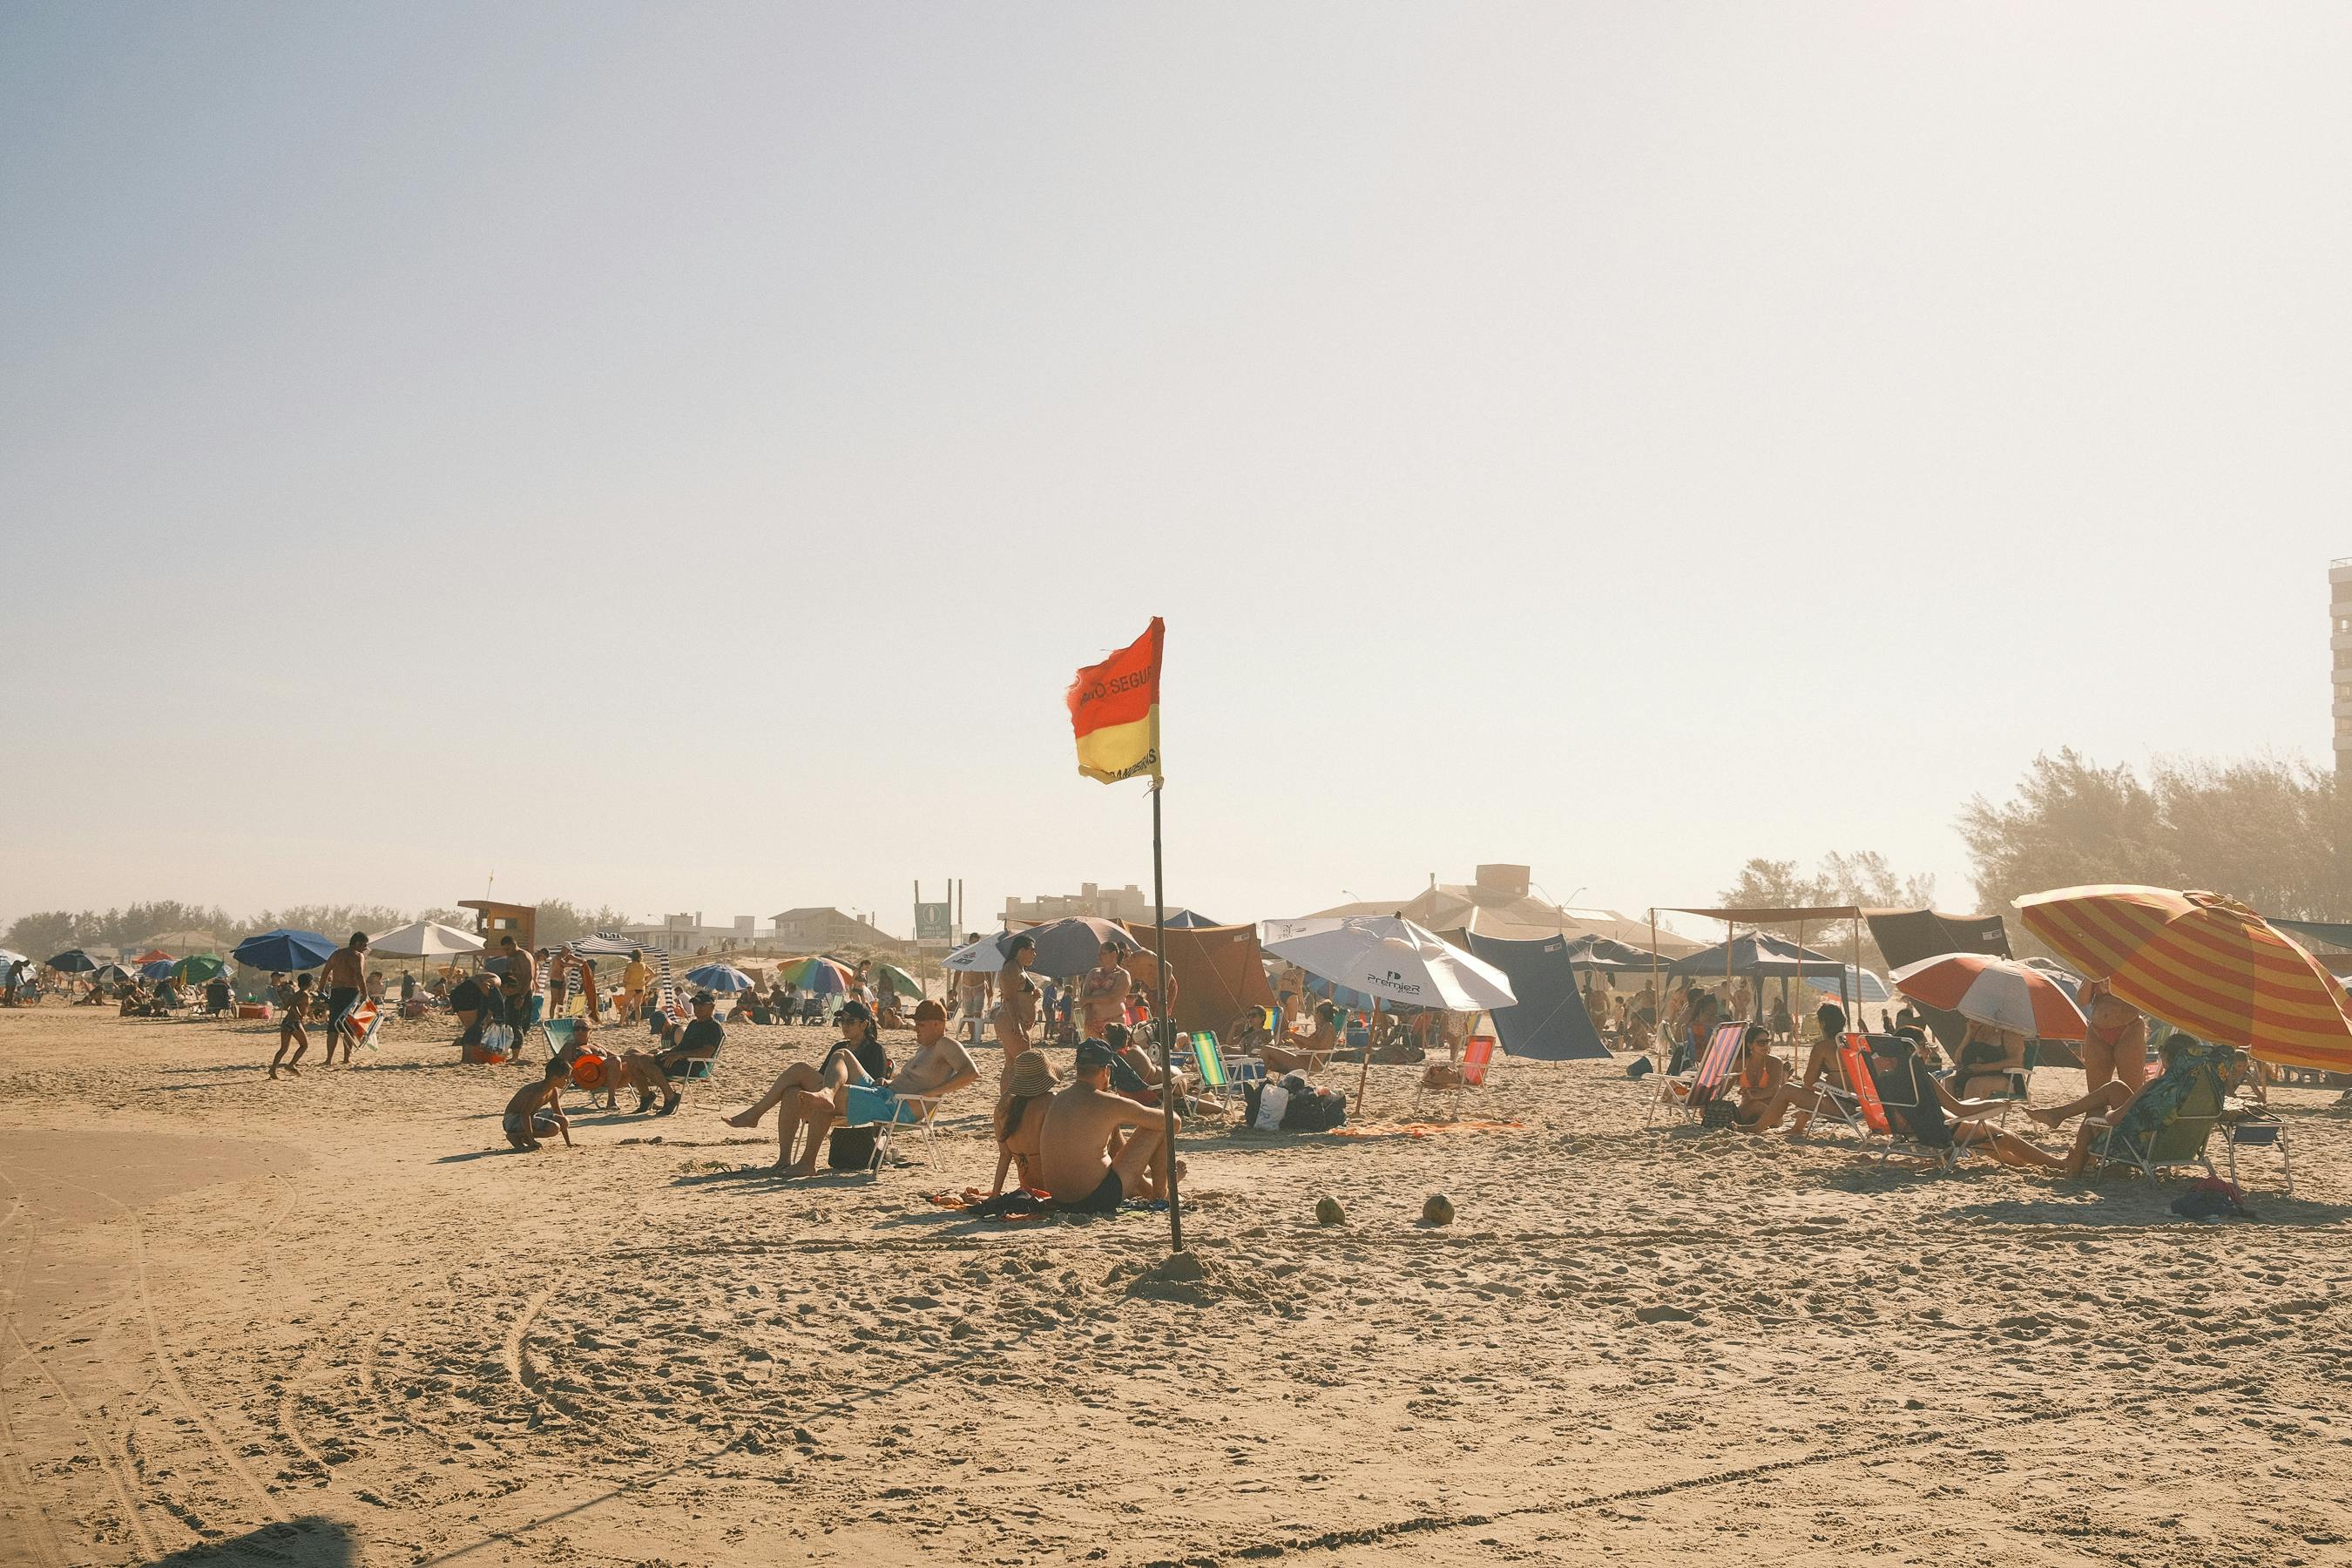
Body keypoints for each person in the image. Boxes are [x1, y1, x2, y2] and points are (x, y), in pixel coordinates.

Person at [724, 1000, 896, 1173]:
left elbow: (874, 1088)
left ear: (864, 1024)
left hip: (855, 1100)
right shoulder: (838, 1047)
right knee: (791, 1093)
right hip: (831, 1097)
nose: (845, 1026)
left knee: (799, 1069)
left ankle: (755, 1113)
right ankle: (784, 1159)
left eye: (850, 1022)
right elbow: (825, 1078)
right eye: (842, 1021)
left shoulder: (874, 1049)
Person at [1036, 1037, 1182, 1213]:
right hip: (1096, 1198)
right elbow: (1173, 1123)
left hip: (1059, 1199)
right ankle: (1160, 1195)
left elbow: (1119, 1153)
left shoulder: (1059, 1099)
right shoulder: (1109, 1103)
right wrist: (1170, 1113)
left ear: (1077, 1069)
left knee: (1114, 1127)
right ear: (1106, 1070)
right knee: (1160, 1125)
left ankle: (1149, 1190)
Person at [991, 1047, 1057, 1195]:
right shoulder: (1051, 1101)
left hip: (1027, 1189)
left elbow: (1004, 1156)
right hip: (1053, 1189)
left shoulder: (1002, 1108)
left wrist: (995, 1194)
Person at [2078, 980, 2148, 1093]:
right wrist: (2092, 975)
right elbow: (2082, 1000)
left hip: (2130, 1028)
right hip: (2097, 1030)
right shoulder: (2096, 964)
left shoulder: (2133, 964)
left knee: (2131, 1093)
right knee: (2095, 1095)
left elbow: (2146, 998)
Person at [319, 932, 371, 1067]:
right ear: (357, 943)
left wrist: (321, 990)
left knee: (333, 1026)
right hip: (350, 992)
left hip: (336, 992)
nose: (365, 948)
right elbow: (359, 975)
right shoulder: (358, 955)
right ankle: (346, 1058)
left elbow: (325, 972)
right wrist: (365, 994)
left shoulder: (337, 954)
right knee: (349, 1026)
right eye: (364, 945)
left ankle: (329, 1059)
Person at [503, 1058, 575, 1152]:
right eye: (566, 1078)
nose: (568, 1081)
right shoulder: (539, 1090)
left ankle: (524, 1137)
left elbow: (559, 1113)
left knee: (564, 1121)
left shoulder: (553, 1090)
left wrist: (568, 1143)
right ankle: (515, 1136)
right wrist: (532, 1140)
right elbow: (525, 1114)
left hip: (527, 1118)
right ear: (555, 1078)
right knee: (554, 1128)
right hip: (512, 1120)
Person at [993, 935, 1039, 1071]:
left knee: (1012, 1065)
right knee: (1026, 1065)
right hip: (1010, 1020)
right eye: (1032, 950)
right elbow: (1009, 998)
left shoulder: (1019, 968)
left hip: (1014, 1020)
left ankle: (1008, 1093)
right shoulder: (1012, 968)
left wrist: (1034, 996)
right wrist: (1016, 1023)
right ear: (1021, 950)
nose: (1034, 954)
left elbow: (1019, 996)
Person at [1261, 1002, 1340, 1076]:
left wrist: (1296, 1036)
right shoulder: (1321, 1028)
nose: (1314, 1017)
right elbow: (1303, 1045)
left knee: (1266, 1049)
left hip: (1309, 1065)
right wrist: (1292, 1037)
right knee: (1270, 1062)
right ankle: (1261, 1080)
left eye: (1315, 1014)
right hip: (1302, 1061)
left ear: (1321, 1015)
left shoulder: (1328, 1027)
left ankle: (1261, 1080)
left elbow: (1319, 1045)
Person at [1079, 942, 1133, 1038]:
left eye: (1103, 953)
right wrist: (1088, 1015)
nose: (1099, 957)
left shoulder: (1123, 975)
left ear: (1114, 954)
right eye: (1099, 954)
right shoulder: (1093, 972)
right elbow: (1084, 996)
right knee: (1094, 1051)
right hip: (1092, 1022)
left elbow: (1112, 998)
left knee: (1113, 1051)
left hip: (1114, 1022)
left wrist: (1089, 999)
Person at [270, 974, 315, 1078]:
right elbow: (295, 1008)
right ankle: (291, 1064)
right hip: (294, 1022)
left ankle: (273, 1069)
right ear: (310, 983)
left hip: (286, 1021)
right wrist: (299, 1015)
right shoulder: (305, 995)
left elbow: (286, 1007)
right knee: (304, 1045)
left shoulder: (295, 994)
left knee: (284, 1048)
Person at [620, 950, 652, 1022]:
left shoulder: (630, 965)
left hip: (631, 987)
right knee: (637, 1007)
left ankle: (620, 1022)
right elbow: (653, 974)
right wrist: (646, 982)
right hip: (641, 987)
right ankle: (637, 1024)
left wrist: (624, 983)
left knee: (625, 1005)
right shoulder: (644, 965)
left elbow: (626, 975)